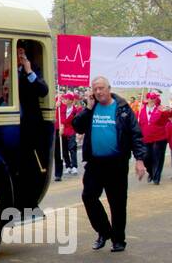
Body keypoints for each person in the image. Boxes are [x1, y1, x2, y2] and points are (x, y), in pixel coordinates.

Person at [71, 75, 147, 252]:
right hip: (95, 163)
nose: (98, 92)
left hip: (117, 163)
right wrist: (88, 109)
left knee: (117, 202)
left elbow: (136, 135)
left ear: (109, 89)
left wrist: (140, 160)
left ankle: (118, 240)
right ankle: (104, 231)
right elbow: (77, 127)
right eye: (95, 89)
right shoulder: (92, 108)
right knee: (88, 197)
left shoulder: (123, 109)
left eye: (101, 88)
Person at [17, 41, 50, 212]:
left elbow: (43, 90)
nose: (19, 56)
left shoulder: (32, 71)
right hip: (12, 125)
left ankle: (30, 201)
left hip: (29, 125)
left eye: (22, 52)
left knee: (32, 165)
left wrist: (29, 71)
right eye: (17, 52)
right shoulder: (5, 72)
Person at [138, 91, 170, 185]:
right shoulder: (141, 110)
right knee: (146, 157)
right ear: (147, 99)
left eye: (154, 98)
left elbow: (169, 116)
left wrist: (169, 110)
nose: (153, 100)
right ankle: (151, 173)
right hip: (146, 138)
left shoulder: (160, 109)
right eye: (151, 98)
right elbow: (137, 124)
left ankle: (156, 178)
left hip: (159, 138)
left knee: (158, 157)